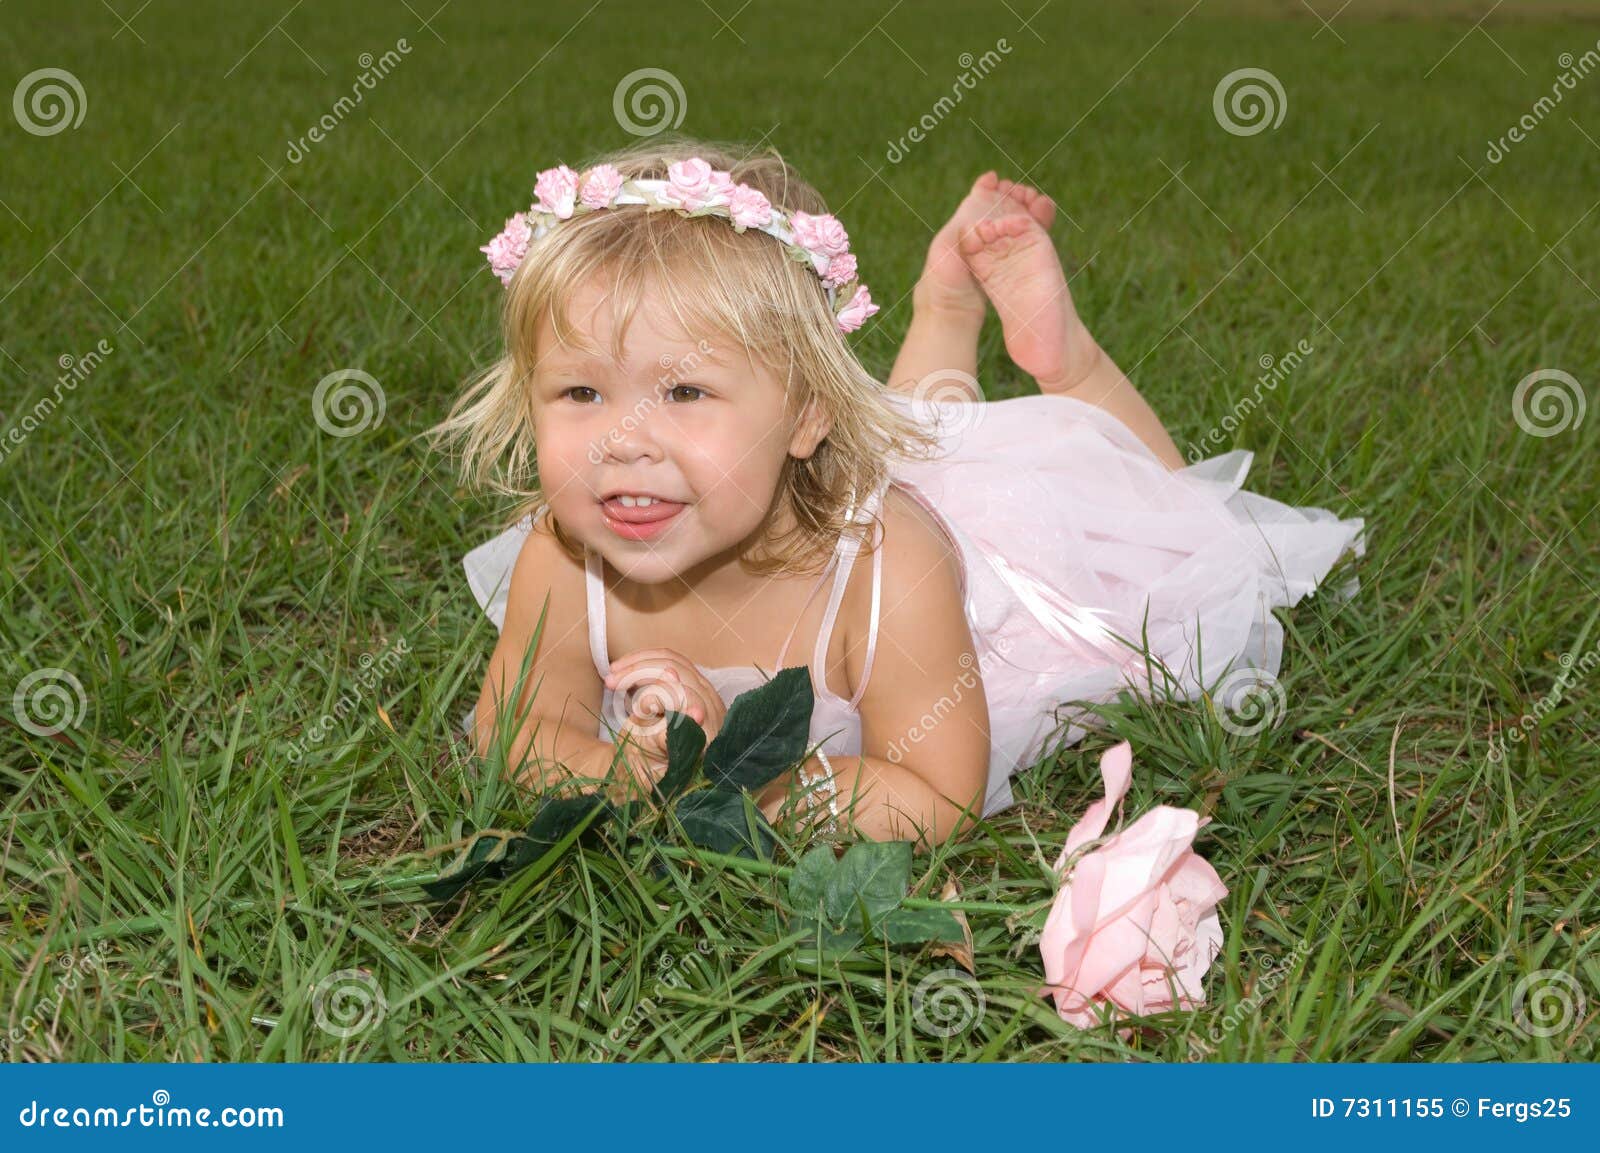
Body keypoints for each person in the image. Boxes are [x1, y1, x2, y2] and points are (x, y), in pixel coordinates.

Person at [432, 137, 1363, 850]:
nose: (623, 443)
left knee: (1170, 530)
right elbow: (515, 731)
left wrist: (727, 778)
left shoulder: (892, 568)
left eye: (683, 392)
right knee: (921, 429)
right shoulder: (562, 554)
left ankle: (1065, 363)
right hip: (837, 464)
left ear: (806, 416)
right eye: (581, 392)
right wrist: (623, 775)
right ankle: (945, 319)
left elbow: (935, 794)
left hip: (984, 567)